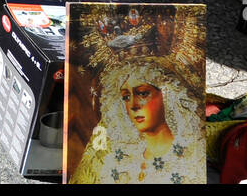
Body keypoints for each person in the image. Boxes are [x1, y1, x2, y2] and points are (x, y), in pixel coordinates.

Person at [69, 62, 204, 183]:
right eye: (126, 97)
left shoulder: (190, 154)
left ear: (166, 95)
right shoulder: (120, 152)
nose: (133, 105)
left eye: (143, 93)